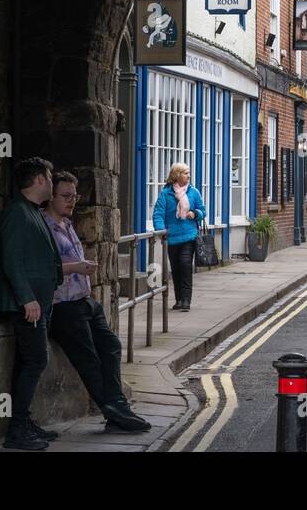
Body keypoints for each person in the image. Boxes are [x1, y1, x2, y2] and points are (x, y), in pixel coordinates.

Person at [43, 172, 151, 433]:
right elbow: (46, 267)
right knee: (88, 358)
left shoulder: (67, 224)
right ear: (51, 197)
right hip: (62, 305)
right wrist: (77, 267)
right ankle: (112, 411)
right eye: (66, 196)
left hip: (84, 301)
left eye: (74, 196)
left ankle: (117, 405)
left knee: (111, 345)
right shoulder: (44, 227)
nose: (72, 201)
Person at [0, 156, 63, 450]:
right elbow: (11, 260)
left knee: (26, 362)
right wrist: (27, 298)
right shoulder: (18, 213)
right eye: (50, 176)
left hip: (38, 303)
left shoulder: (31, 211)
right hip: (28, 305)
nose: (53, 182)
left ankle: (23, 421)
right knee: (36, 360)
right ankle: (17, 430)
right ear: (39, 180)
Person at [152, 162, 206, 313]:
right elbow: (158, 214)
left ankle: (186, 300)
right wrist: (161, 231)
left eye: (189, 173)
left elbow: (203, 211)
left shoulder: (193, 192)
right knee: (175, 269)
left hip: (189, 236)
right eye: (185, 173)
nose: (188, 176)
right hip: (171, 237)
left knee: (185, 265)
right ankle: (178, 300)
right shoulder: (166, 194)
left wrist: (195, 213)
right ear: (176, 175)